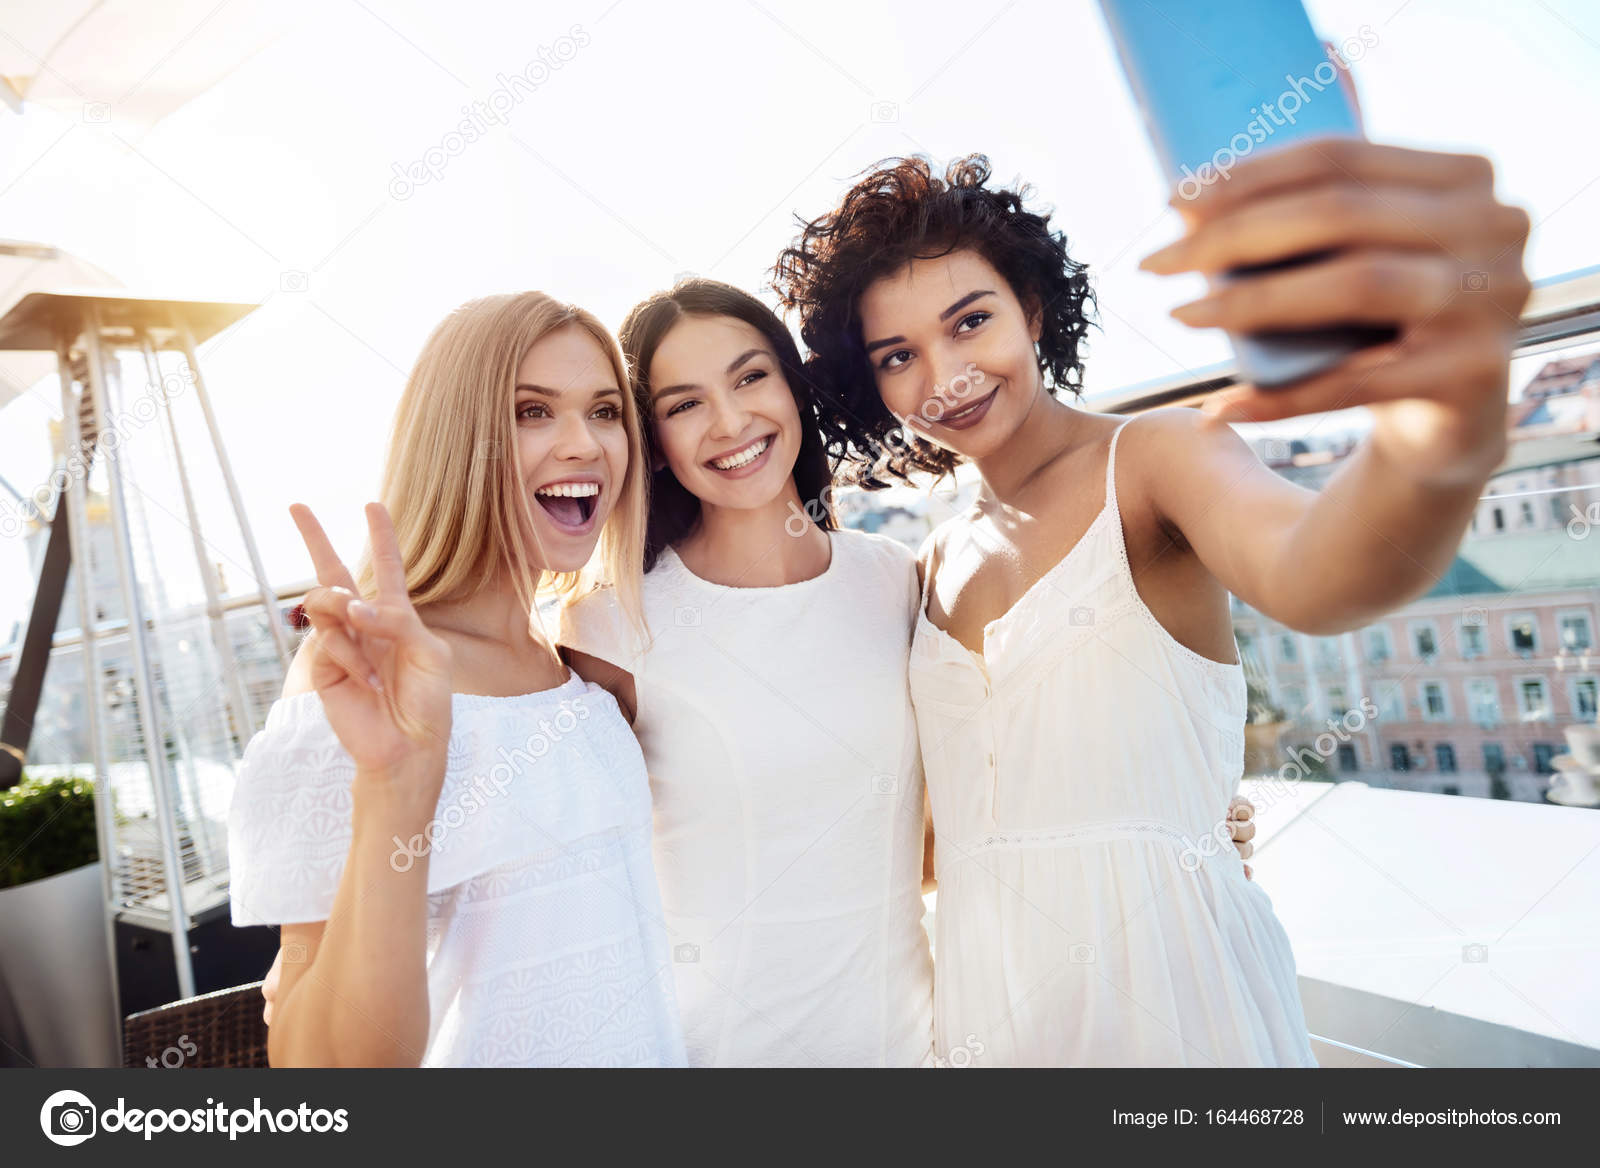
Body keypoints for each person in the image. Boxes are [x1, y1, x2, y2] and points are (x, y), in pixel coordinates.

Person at [772, 140, 1530, 1065]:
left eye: (970, 321)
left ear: (1034, 309)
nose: (946, 377)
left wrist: (1441, 419)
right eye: (899, 355)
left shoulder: (1157, 459)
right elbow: (944, 832)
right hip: (991, 1021)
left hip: (1177, 1007)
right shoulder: (925, 563)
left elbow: (1321, 572)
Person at [229, 291, 686, 1067]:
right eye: (531, 411)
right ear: (456, 439)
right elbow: (317, 1065)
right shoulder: (366, 679)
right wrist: (393, 785)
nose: (584, 443)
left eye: (605, 411)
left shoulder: (573, 662)